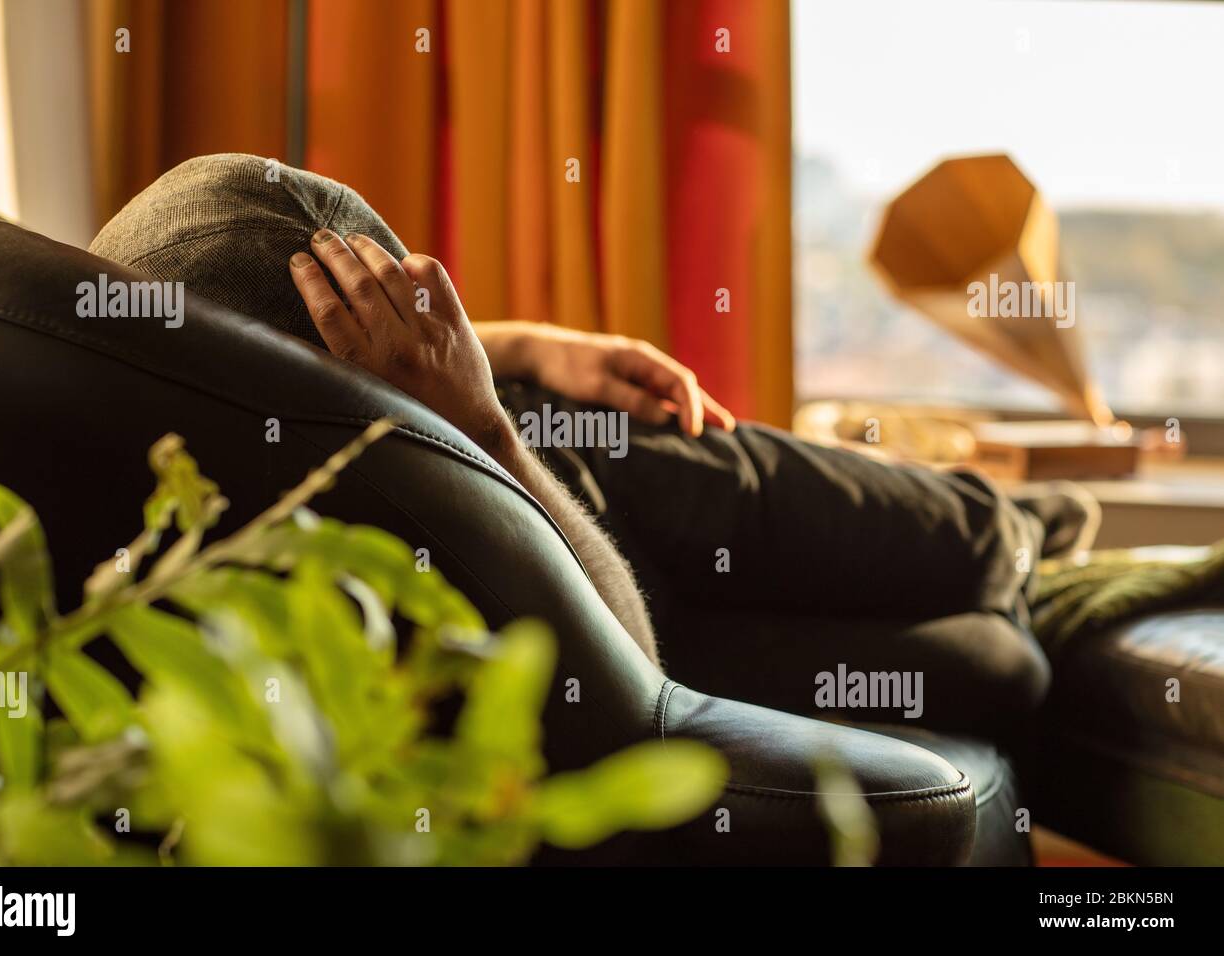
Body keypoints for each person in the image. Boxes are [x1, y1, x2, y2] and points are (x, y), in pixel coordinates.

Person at [91, 154, 1097, 737]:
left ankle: (1028, 529)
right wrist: (480, 429)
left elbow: (327, 343)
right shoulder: (196, 537)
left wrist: (515, 356)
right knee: (1000, 667)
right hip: (575, 561)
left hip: (588, 456)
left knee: (970, 540)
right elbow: (633, 671)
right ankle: (1026, 586)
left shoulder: (111, 304)